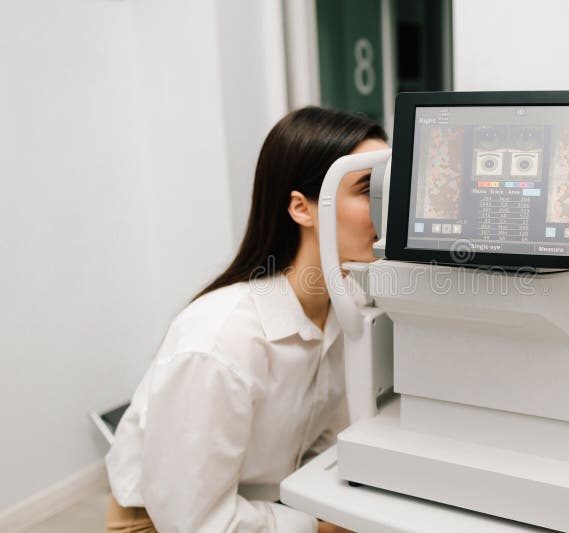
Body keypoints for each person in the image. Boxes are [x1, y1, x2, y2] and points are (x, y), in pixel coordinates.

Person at [105, 106, 389, 532]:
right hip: (165, 521)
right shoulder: (220, 342)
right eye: (369, 190)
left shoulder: (349, 304)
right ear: (302, 208)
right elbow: (194, 521)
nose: (391, 209)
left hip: (263, 497)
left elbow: (329, 434)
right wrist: (321, 525)